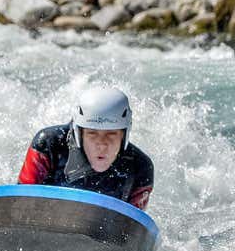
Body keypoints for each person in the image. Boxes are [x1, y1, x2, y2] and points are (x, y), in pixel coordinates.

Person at [17, 86, 154, 210]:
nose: (102, 144)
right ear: (79, 134)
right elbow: (19, 203)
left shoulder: (141, 167)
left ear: (124, 135)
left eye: (111, 134)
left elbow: (134, 227)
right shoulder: (48, 145)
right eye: (92, 133)